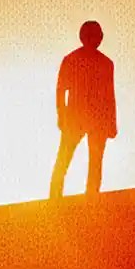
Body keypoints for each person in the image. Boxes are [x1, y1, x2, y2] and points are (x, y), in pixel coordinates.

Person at [49, 20, 117, 199]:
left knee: (94, 162)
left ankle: (91, 197)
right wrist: (61, 115)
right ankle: (55, 198)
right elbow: (60, 89)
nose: (96, 39)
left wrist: (111, 123)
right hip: (75, 117)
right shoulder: (71, 60)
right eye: (93, 35)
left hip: (96, 119)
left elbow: (109, 95)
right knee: (64, 159)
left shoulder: (106, 63)